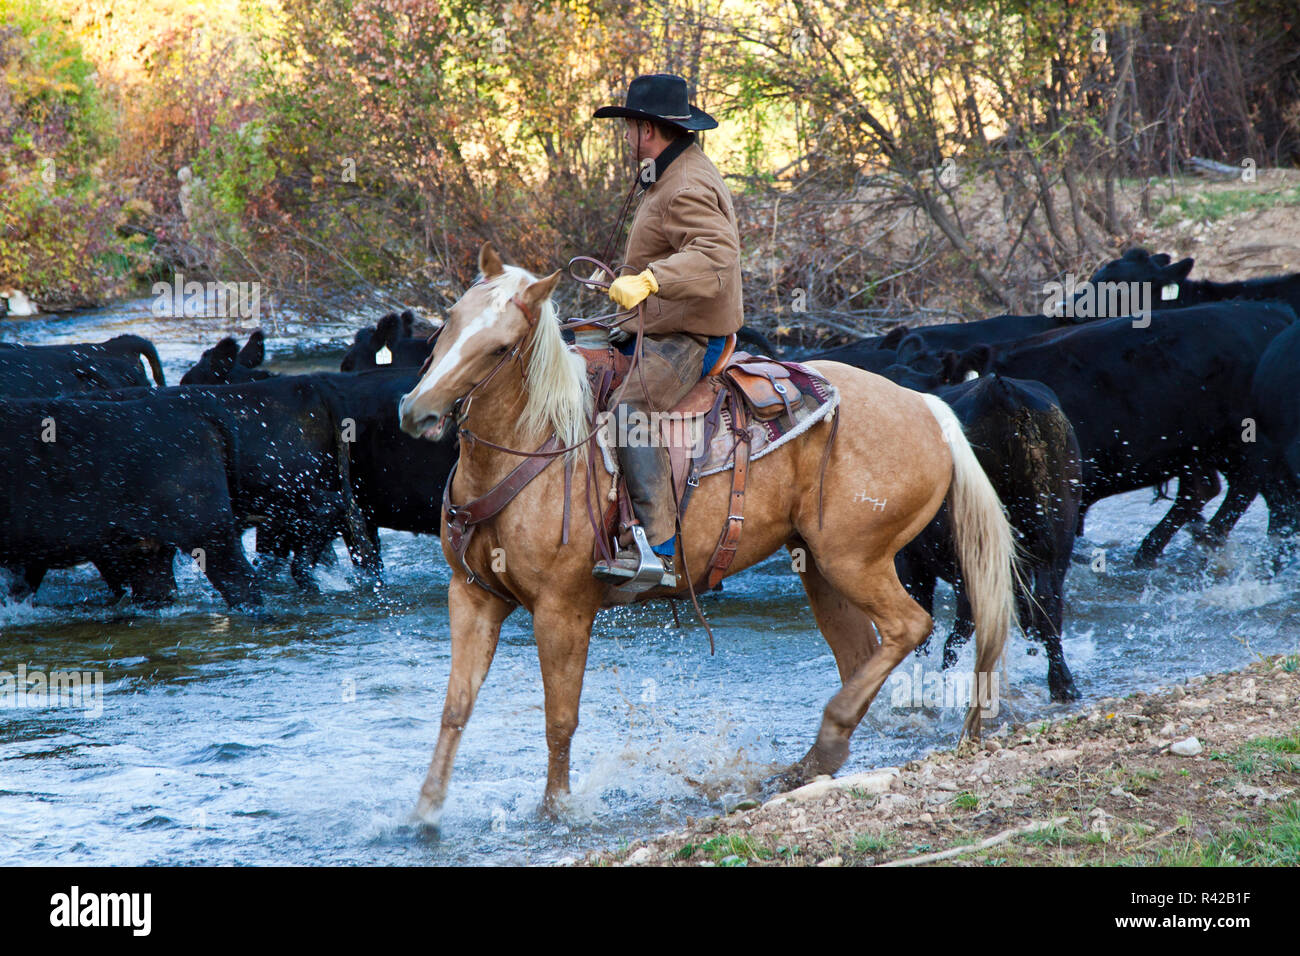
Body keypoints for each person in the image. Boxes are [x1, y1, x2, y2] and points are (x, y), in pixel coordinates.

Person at [590, 73, 744, 590]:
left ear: (647, 129)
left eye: (630, 127)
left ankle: (659, 552)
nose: (627, 137)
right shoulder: (670, 170)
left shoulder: (685, 184)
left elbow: (717, 259)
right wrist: (624, 280)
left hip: (690, 337)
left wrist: (652, 280)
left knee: (628, 412)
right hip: (661, 324)